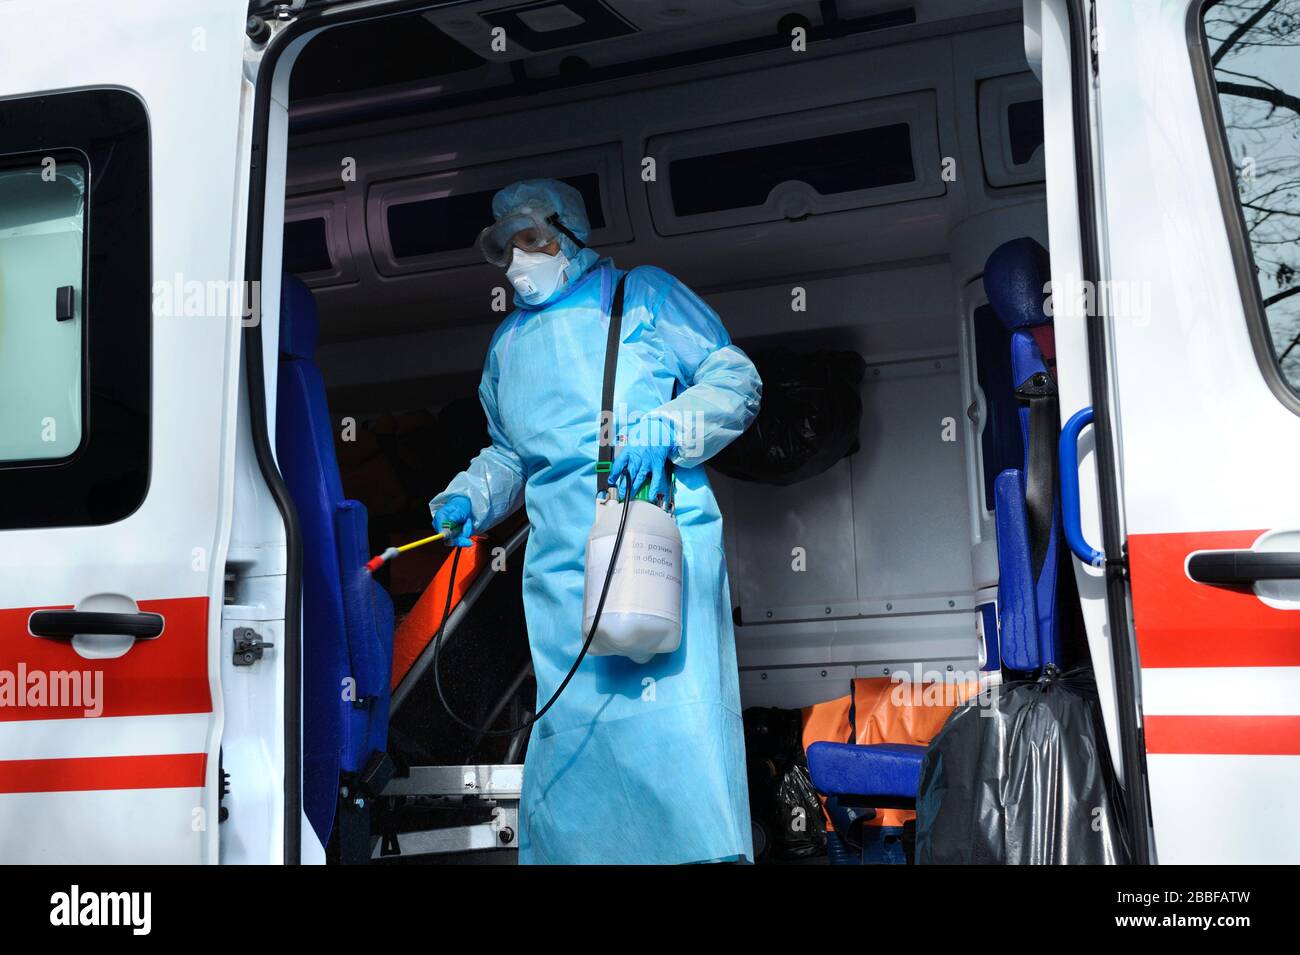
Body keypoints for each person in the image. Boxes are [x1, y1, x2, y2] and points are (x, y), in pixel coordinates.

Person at [429, 179, 761, 864]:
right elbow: (511, 453)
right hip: (564, 575)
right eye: (506, 246)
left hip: (654, 548)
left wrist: (669, 425)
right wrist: (472, 494)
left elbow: (735, 380)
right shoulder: (508, 348)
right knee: (577, 745)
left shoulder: (641, 297)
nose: (519, 260)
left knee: (676, 734)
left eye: (532, 239)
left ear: (570, 234)